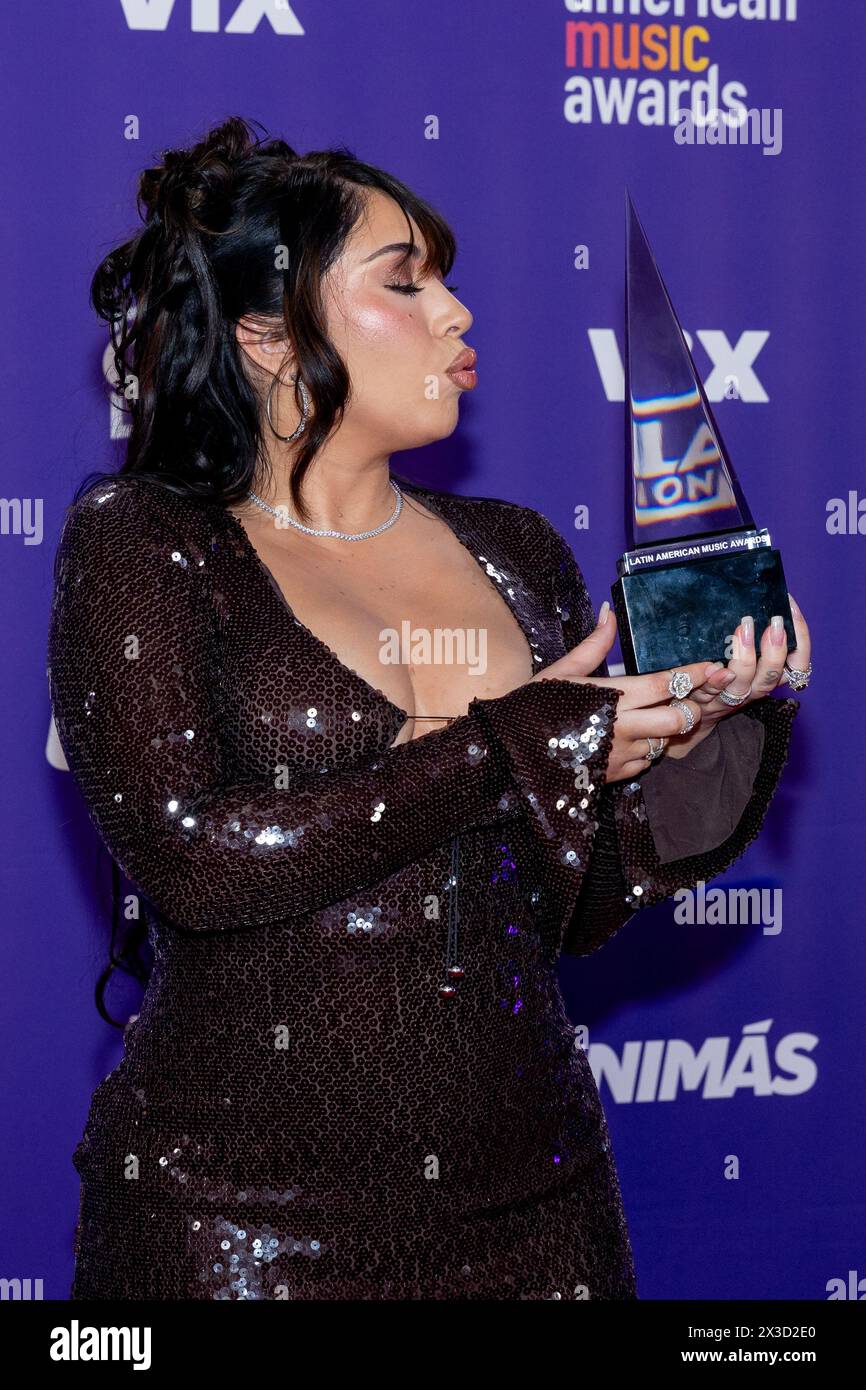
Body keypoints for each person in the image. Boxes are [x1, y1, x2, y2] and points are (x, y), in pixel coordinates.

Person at [47, 116, 810, 1301]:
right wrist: (519, 744)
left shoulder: (514, 552)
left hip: (535, 1204)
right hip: (237, 1221)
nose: (455, 313)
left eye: (443, 277)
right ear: (265, 335)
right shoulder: (147, 543)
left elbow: (574, 899)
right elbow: (195, 859)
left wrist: (706, 735)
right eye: (403, 281)